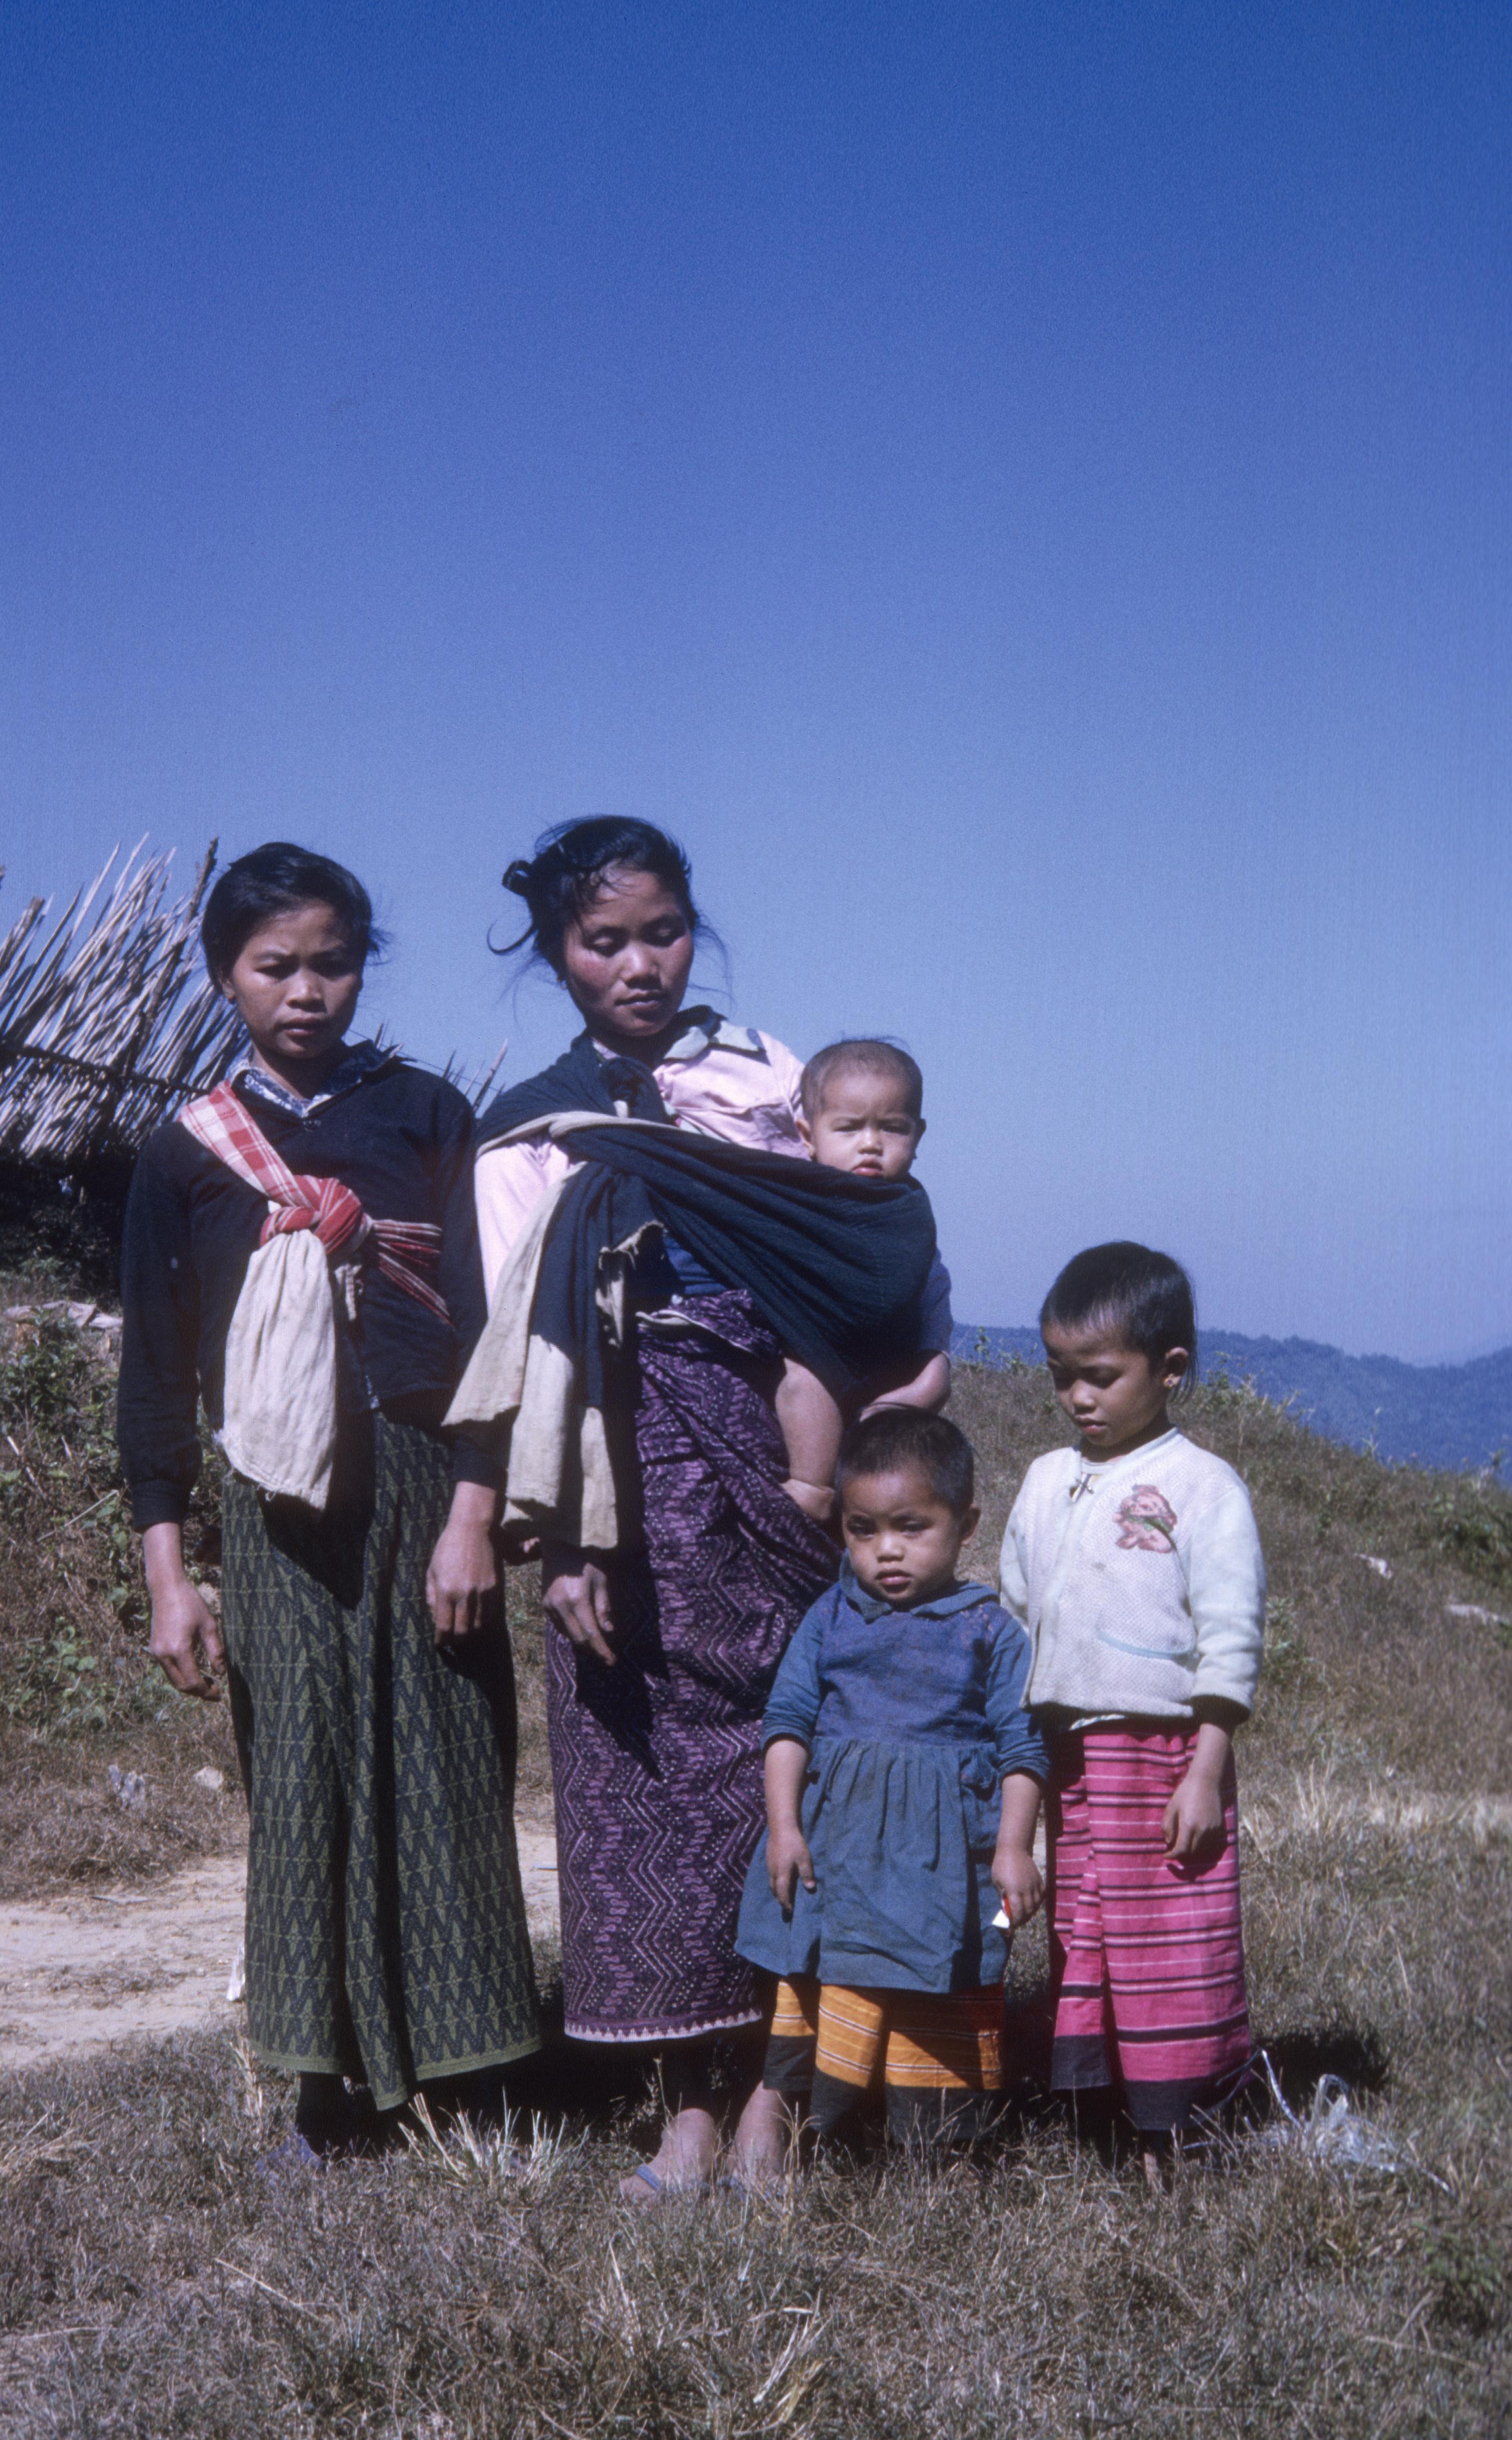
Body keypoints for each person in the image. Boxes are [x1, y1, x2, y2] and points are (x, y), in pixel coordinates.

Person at [462, 816, 939, 2198]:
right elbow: (519, 1351)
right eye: (604, 940)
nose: (639, 962)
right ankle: (681, 2108)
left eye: (661, 931)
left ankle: (773, 2109)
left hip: (781, 1464)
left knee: (785, 1772)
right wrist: (554, 1543)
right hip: (615, 1479)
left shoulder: (771, 1077)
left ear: (693, 926)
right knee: (642, 1797)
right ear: (559, 954)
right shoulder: (534, 1134)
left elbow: (867, 1243)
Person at [117, 842, 540, 2153]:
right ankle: (319, 2085)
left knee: (448, 1757)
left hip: (422, 1478)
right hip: (271, 1495)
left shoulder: (420, 1113)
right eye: (274, 966)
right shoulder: (186, 1153)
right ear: (224, 977)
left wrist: (476, 1512)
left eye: (334, 962)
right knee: (299, 1773)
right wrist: (169, 1574)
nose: (307, 991)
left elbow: (487, 1332)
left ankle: (471, 2074)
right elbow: (152, 1371)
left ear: (366, 967)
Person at [999, 1242, 1266, 2177]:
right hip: (1067, 1753)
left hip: (1162, 1755)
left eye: (1100, 1376)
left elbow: (1229, 1635)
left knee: (1170, 1943)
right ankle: (1100, 2117)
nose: (1077, 1397)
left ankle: (1182, 2126)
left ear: (1170, 1369)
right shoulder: (1042, 1481)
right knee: (1084, 1928)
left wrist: (1203, 1767)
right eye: (1060, 1375)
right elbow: (1016, 1612)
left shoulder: (1203, 1487)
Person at [734, 1408, 1044, 2163]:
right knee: (818, 1970)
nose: (887, 1551)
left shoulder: (992, 1633)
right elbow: (788, 1725)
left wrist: (1014, 1846)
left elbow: (1022, 1748)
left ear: (967, 1523)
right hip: (838, 1850)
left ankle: (938, 2150)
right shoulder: (831, 1616)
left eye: (912, 1526)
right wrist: (784, 1828)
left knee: (951, 1971)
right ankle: (809, 2130)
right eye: (863, 1529)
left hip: (942, 1864)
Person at [772, 1038, 955, 1524]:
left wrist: (905, 1398)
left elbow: (933, 1310)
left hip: (892, 1377)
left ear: (918, 1135)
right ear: (807, 1136)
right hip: (818, 1365)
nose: (871, 1143)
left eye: (893, 1128)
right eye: (849, 1128)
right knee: (803, 1377)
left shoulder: (910, 1223)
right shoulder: (794, 1204)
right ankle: (811, 1486)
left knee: (935, 1376)